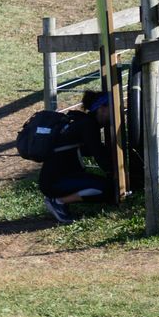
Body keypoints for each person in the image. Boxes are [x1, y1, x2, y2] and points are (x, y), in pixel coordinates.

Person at [39, 88, 113, 223]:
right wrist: (116, 173)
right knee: (108, 189)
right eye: (113, 108)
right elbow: (98, 154)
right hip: (54, 182)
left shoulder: (83, 122)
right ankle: (58, 201)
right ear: (101, 108)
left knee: (108, 187)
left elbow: (89, 150)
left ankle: (60, 200)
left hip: (55, 179)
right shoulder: (88, 125)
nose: (118, 112)